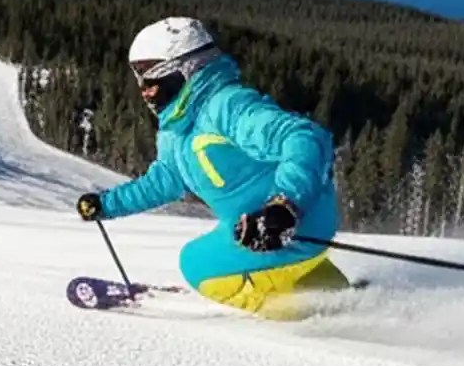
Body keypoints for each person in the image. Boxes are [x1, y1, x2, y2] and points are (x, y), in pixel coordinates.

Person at [75, 16, 351, 320]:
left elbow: (304, 137)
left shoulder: (226, 105)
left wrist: (285, 205)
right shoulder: (176, 130)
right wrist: (106, 205)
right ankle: (339, 298)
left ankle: (296, 316)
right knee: (268, 261)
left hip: (284, 228)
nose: (143, 88)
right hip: (274, 233)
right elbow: (164, 180)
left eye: (149, 75)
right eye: (137, 76)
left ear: (185, 68)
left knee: (197, 264)